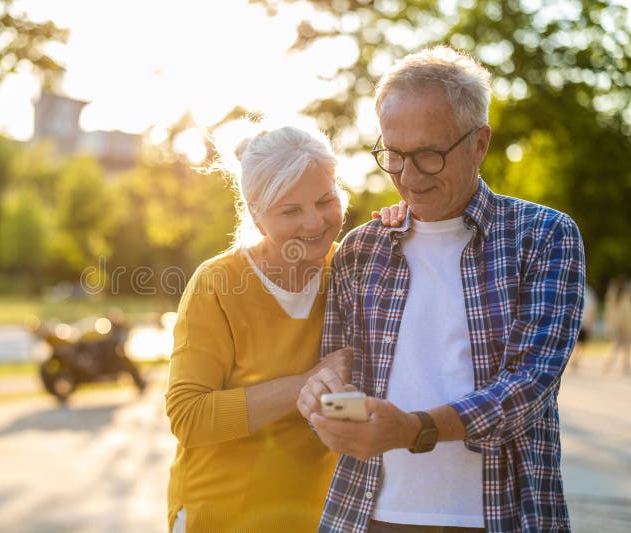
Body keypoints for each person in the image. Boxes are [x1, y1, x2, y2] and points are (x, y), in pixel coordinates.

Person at [297, 45, 585, 533]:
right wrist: (322, 396)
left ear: (479, 144)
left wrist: (416, 429)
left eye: (428, 155)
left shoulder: (545, 236)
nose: (407, 178)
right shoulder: (359, 251)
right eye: (393, 154)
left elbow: (529, 387)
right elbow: (338, 371)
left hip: (500, 516)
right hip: (367, 515)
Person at [165, 125, 406, 532]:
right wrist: (306, 383)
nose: (314, 221)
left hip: (319, 518)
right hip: (221, 516)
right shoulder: (218, 284)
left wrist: (405, 235)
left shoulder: (351, 270)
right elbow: (190, 417)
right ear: (257, 216)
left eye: (325, 200)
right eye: (290, 210)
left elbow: (349, 404)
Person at [603, 278, 631, 375]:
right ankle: (617, 365)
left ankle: (618, 365)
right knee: (620, 346)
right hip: (623, 327)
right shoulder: (622, 300)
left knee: (618, 346)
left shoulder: (615, 300)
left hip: (620, 326)